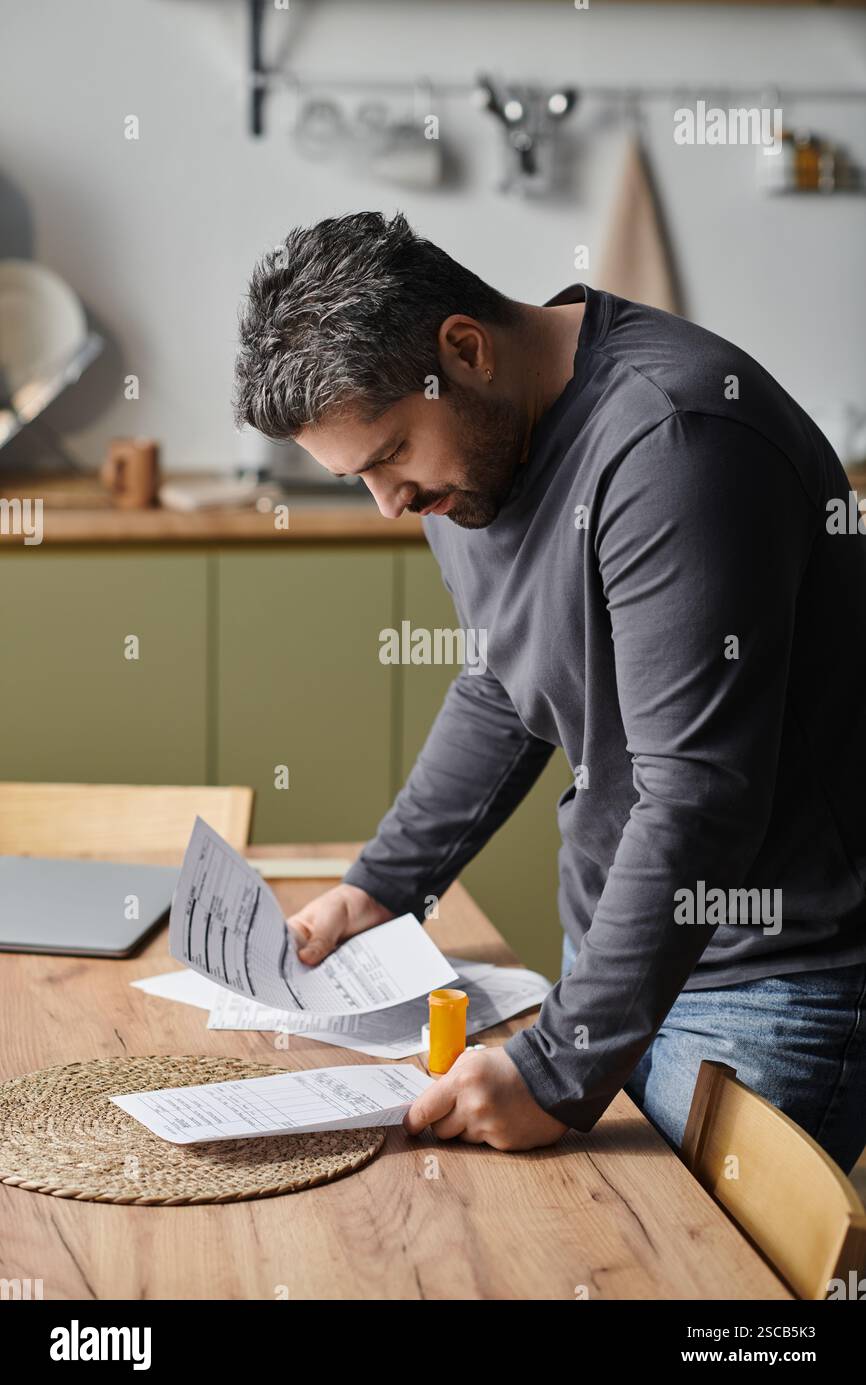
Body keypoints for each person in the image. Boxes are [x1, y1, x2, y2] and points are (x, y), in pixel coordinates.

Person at [233, 210, 866, 1169]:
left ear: (464, 349)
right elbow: (501, 681)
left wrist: (558, 1068)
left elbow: (698, 794)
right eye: (359, 477)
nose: (390, 504)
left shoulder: (676, 444)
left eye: (391, 454)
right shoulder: (475, 456)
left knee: (692, 1302)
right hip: (625, 952)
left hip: (772, 980)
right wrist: (380, 888)